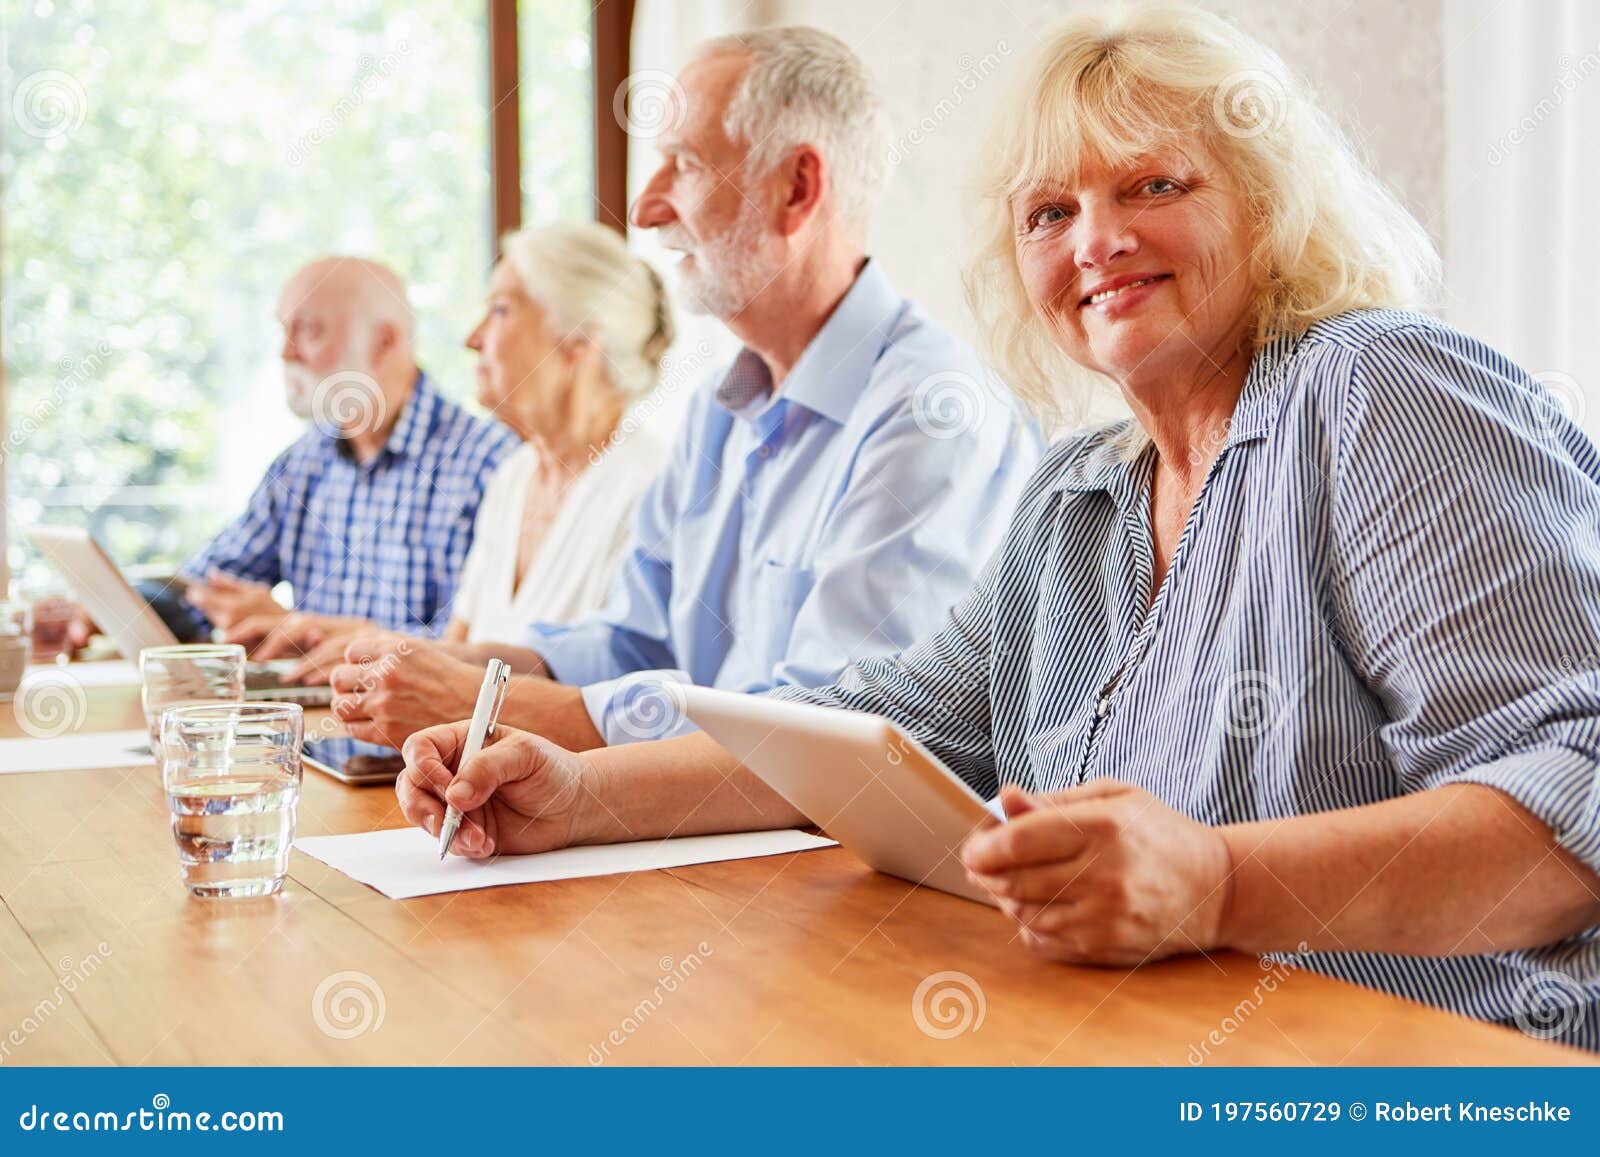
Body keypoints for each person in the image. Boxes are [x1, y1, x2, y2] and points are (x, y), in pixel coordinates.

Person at [394, 6, 1600, 1050]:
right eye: (1048, 212)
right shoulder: (1079, 496)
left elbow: (1577, 791)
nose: (1095, 242)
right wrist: (578, 792)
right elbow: (875, 735)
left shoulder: (1376, 390)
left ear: (1266, 202)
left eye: (1153, 185)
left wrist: (1216, 882)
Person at [329, 26, 1042, 751]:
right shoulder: (717, 412)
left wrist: (488, 703)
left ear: (797, 188)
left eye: (683, 164)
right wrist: (461, 665)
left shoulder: (929, 415)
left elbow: (826, 740)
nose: (645, 208)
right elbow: (634, 646)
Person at [229, 224, 675, 676]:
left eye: (500, 311)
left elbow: (626, 704)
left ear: (578, 343)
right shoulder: (516, 476)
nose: (472, 338)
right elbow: (453, 662)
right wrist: (353, 643)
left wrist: (371, 648)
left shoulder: (650, 490)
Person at [178, 257, 518, 638]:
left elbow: (472, 651)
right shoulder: (301, 464)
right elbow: (206, 583)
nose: (286, 352)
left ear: (384, 342)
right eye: (283, 330)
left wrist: (304, 632)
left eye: (308, 331)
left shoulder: (490, 465)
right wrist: (124, 606)